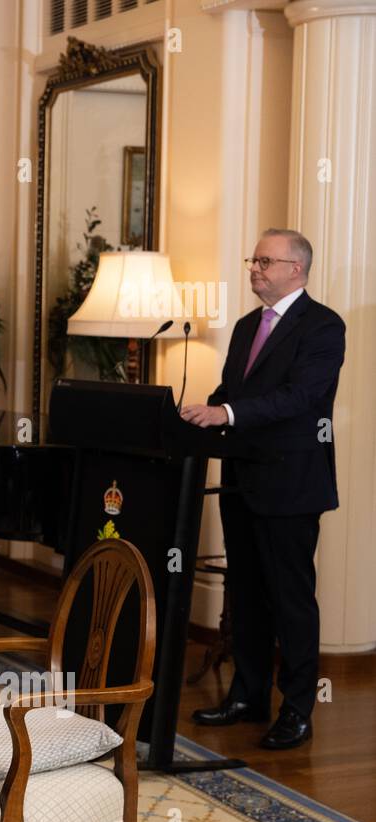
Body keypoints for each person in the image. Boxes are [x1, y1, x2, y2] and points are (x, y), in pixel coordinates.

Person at [181, 228, 345, 750]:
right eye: (254, 260)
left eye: (265, 261)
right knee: (246, 592)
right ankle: (248, 696)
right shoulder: (249, 324)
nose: (255, 268)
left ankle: (297, 709)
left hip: (293, 482)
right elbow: (233, 392)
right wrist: (195, 415)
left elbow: (301, 398)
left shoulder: (323, 326)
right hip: (243, 479)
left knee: (290, 599)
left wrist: (225, 412)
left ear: (296, 269)